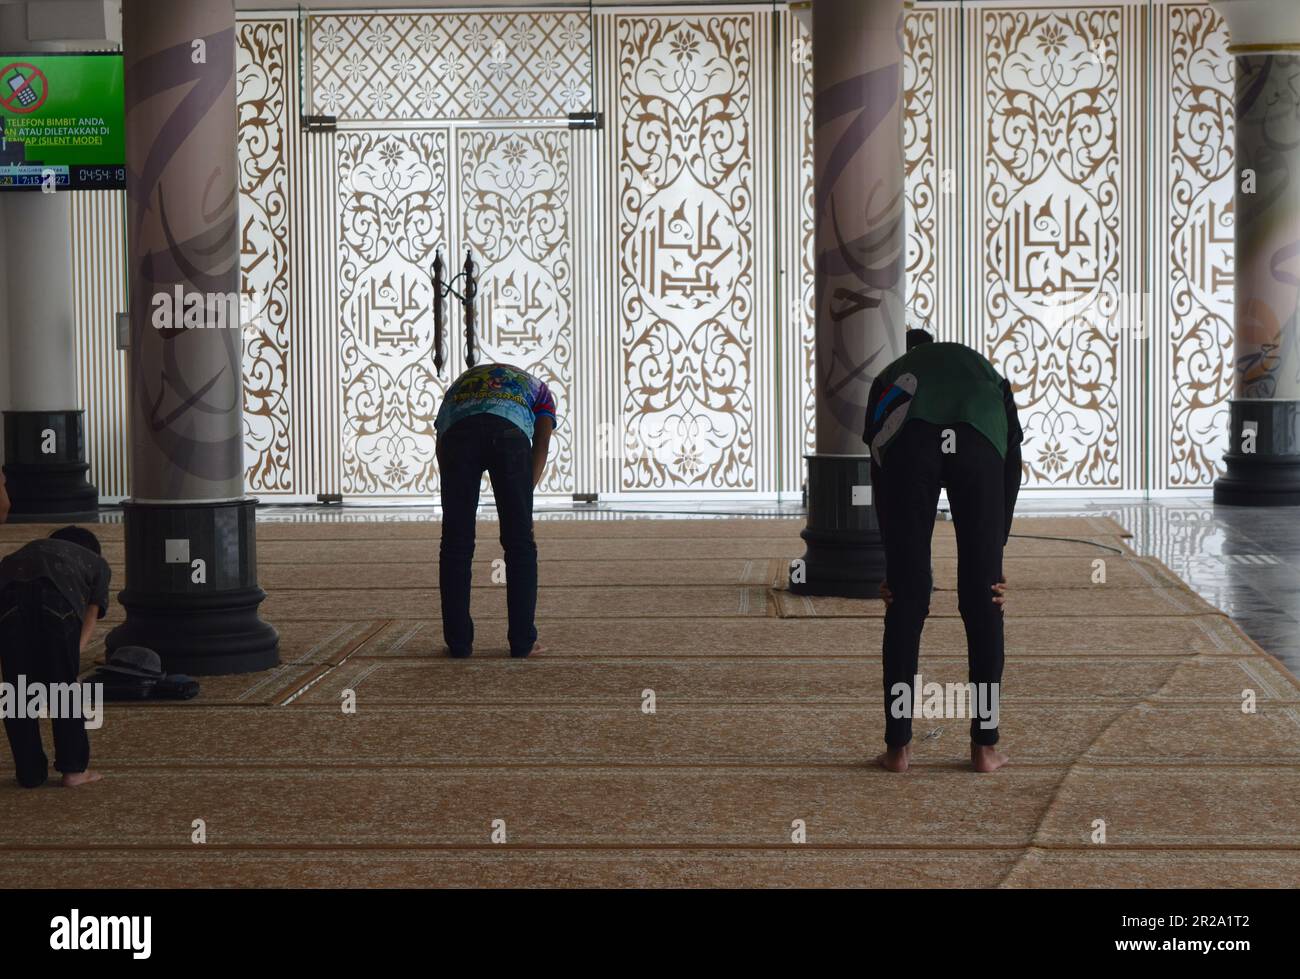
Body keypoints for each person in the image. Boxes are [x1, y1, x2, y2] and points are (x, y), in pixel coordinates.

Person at [865, 330, 1023, 774]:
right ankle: (984, 748)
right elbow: (1012, 461)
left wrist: (892, 559)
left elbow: (878, 465)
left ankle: (898, 749)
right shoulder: (985, 375)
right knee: (982, 598)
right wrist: (996, 552)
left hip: (909, 446)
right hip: (979, 443)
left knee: (907, 598)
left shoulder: (891, 379)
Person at [434, 362, 556, 659]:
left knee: (456, 544)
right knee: (519, 545)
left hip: (457, 436)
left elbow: (442, 435)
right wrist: (522, 498)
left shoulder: (461, 384)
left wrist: (452, 485)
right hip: (508, 434)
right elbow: (541, 442)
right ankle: (523, 641)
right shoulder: (541, 392)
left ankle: (459, 643)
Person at [0, 526, 110, 787]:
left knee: (17, 693)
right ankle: (73, 771)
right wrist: (71, 657)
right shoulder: (96, 562)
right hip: (57, 604)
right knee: (63, 689)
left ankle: (29, 774)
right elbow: (91, 615)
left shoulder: (18, 555)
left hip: (9, 607)